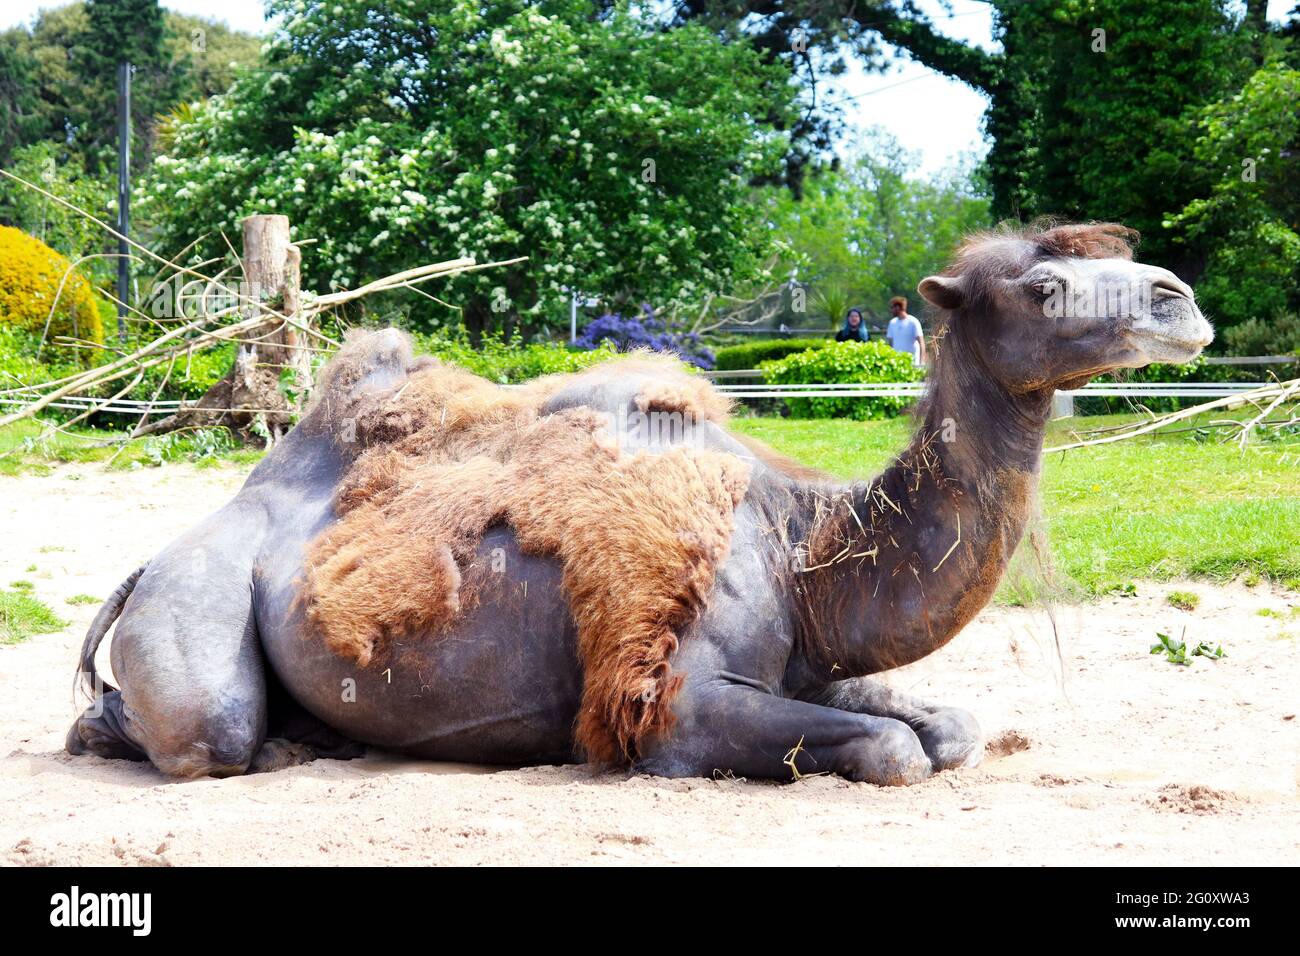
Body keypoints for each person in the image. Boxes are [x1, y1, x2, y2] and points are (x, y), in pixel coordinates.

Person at [885, 296, 926, 365]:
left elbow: (921, 343)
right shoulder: (892, 323)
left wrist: (921, 362)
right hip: (897, 363)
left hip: (912, 363)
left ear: (898, 307)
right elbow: (890, 344)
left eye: (892, 307)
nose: (891, 310)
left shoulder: (913, 321)